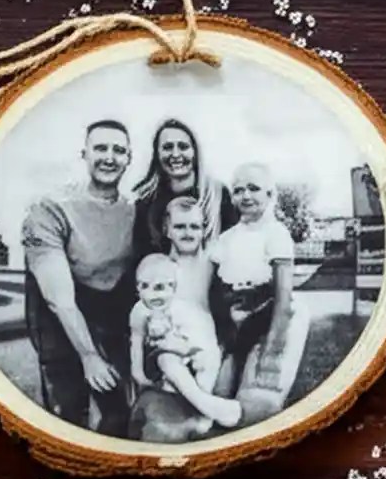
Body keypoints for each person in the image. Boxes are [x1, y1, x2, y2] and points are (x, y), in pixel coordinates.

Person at [21, 120, 137, 435]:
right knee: (68, 412)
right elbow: (59, 298)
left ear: (129, 158)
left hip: (106, 307)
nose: (109, 157)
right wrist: (88, 356)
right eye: (100, 148)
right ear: (84, 154)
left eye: (119, 150)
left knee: (120, 411)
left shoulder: (133, 210)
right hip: (56, 312)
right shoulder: (50, 208)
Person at [209, 162, 312, 425]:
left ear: (270, 193)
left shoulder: (276, 234)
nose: (245, 195)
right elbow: (215, 285)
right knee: (219, 396)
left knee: (255, 405)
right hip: (234, 321)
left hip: (265, 316)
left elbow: (283, 294)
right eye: (238, 190)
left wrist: (273, 348)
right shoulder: (226, 238)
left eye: (253, 188)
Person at [127, 254, 241, 435]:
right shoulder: (139, 312)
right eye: (144, 286)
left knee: (208, 359)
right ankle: (205, 406)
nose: (153, 294)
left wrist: (185, 350)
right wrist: (138, 374)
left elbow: (192, 345)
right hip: (161, 359)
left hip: (187, 351)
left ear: (173, 288)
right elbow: (136, 342)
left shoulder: (181, 310)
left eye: (160, 287)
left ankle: (205, 407)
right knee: (166, 360)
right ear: (137, 289)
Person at [132, 119, 238, 259]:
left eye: (183, 147)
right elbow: (140, 257)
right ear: (157, 154)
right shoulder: (146, 203)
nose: (176, 154)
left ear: (195, 152)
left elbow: (233, 250)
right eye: (167, 147)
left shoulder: (217, 195)